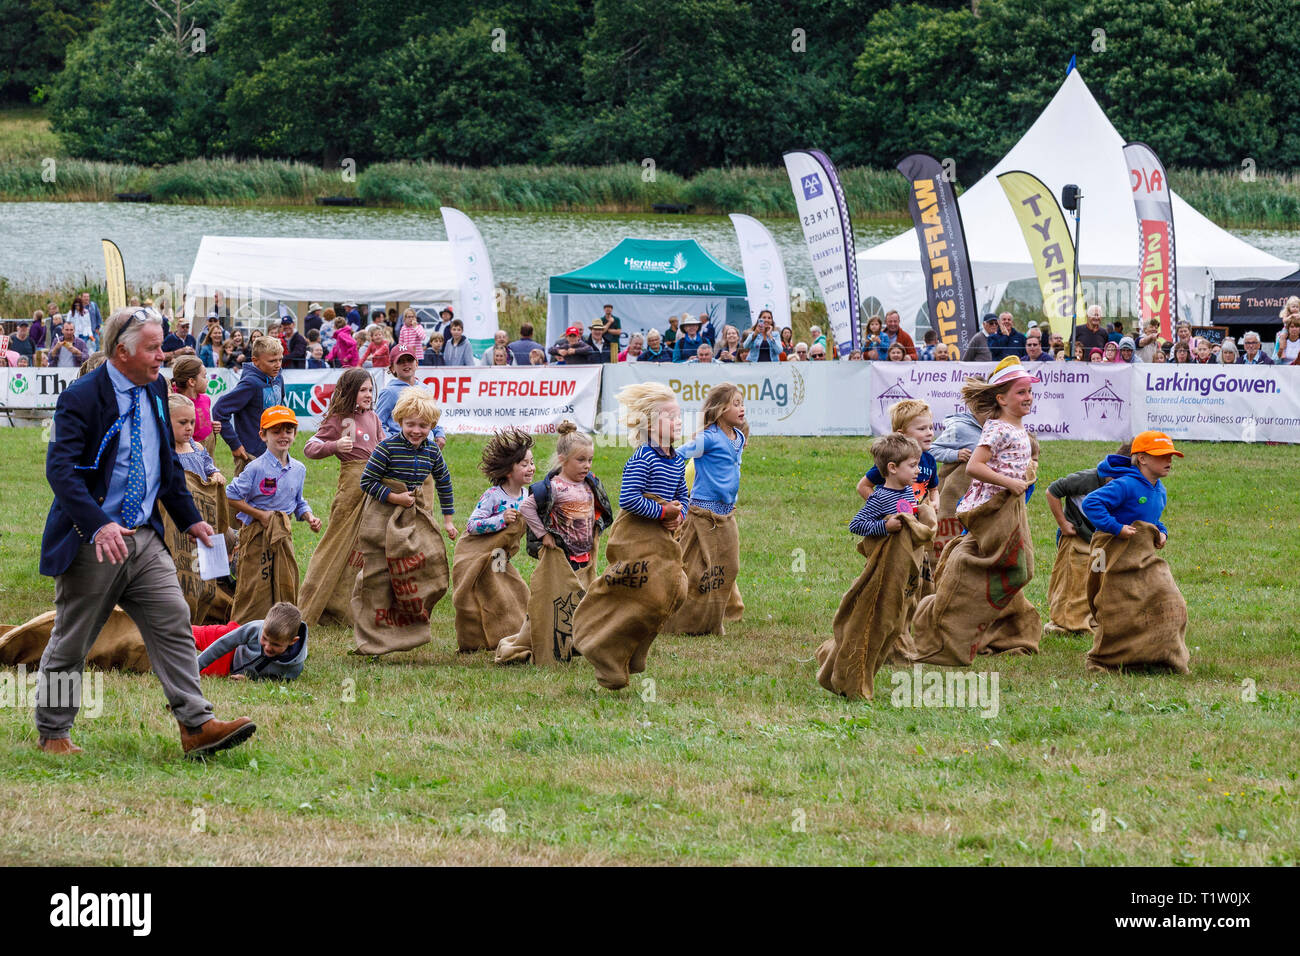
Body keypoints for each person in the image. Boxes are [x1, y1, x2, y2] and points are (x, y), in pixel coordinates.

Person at [36, 307, 253, 757]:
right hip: (93, 540)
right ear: (122, 351)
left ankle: (196, 725)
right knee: (73, 638)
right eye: (154, 348)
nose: (163, 356)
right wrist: (98, 525)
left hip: (144, 537)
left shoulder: (156, 387)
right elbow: (60, 471)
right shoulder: (81, 397)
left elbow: (164, 461)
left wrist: (190, 515)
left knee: (174, 619)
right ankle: (53, 734)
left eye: (162, 346)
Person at [572, 382, 687, 690]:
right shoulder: (643, 458)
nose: (679, 422)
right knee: (648, 593)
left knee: (677, 590)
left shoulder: (676, 460)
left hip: (663, 539)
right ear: (650, 424)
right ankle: (602, 645)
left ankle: (634, 649)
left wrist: (679, 517)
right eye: (671, 417)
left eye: (680, 417)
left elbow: (683, 495)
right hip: (637, 535)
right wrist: (664, 513)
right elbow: (629, 499)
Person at [298, 368, 382, 626]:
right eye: (363, 390)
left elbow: (383, 446)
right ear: (350, 392)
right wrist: (334, 446)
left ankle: (346, 608)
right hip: (350, 490)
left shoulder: (374, 418)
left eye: (370, 390)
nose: (368, 395)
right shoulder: (338, 419)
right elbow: (309, 448)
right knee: (335, 547)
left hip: (373, 488)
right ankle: (313, 605)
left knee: (362, 548)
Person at [226, 405, 320, 620]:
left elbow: (299, 501)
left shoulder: (299, 469)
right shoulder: (255, 468)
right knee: (255, 582)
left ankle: (281, 623)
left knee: (285, 579)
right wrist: (259, 515)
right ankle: (247, 624)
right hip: (257, 534)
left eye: (288, 430)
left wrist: (309, 517)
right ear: (263, 435)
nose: (283, 436)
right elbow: (231, 496)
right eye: (276, 431)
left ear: (295, 434)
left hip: (282, 534)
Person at [359, 388, 458, 540]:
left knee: (420, 555)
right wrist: (394, 497)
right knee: (384, 557)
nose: (416, 431)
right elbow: (367, 482)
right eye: (410, 424)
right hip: (383, 512)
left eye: (423, 426)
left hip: (414, 510)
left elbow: (444, 482)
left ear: (432, 425)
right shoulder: (386, 448)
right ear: (400, 422)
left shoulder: (432, 451)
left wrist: (448, 521)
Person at [520, 422, 612, 573]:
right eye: (581, 460)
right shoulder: (555, 487)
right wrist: (543, 535)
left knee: (584, 592)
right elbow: (526, 507)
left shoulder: (590, 483)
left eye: (590, 459)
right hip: (563, 556)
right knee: (563, 594)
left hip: (586, 555)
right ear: (563, 459)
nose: (587, 465)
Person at [956, 358, 1038, 515]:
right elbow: (974, 466)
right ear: (1001, 399)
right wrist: (1010, 483)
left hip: (1006, 504)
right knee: (976, 540)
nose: (1028, 397)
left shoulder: (1015, 425)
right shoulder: (999, 429)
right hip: (989, 509)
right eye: (1021, 392)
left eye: (1030, 391)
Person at [1081, 431, 1180, 549]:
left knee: (1160, 568)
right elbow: (1090, 502)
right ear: (1142, 459)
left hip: (1137, 552)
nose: (1169, 460)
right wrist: (1117, 528)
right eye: (1162, 455)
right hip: (1108, 550)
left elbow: (1149, 518)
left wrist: (1162, 532)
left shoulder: (1161, 491)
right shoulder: (1126, 484)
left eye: (1170, 455)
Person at [212, 335, 286, 474]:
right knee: (246, 495)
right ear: (255, 361)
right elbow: (219, 410)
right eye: (272, 361)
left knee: (274, 493)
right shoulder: (250, 383)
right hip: (251, 454)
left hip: (274, 448)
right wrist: (235, 445)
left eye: (280, 359)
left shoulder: (278, 378)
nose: (277, 365)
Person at [195, 602, 308, 681]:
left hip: (227, 666)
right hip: (228, 637)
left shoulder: (294, 668)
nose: (267, 647)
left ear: (293, 641)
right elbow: (223, 644)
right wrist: (196, 665)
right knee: (184, 633)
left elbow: (275, 681)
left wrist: (250, 680)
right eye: (264, 638)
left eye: (276, 644)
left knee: (182, 671)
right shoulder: (254, 628)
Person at [858, 399, 938, 507]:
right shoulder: (893, 460)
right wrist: (883, 507)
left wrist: (935, 502)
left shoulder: (929, 460)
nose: (929, 433)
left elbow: (933, 489)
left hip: (918, 520)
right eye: (922, 429)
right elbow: (863, 486)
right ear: (902, 434)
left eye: (931, 428)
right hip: (894, 521)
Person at [465, 428, 535, 536]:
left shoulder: (526, 495)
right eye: (525, 465)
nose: (531, 468)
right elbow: (471, 525)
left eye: (532, 462)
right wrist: (501, 519)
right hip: (484, 551)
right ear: (508, 471)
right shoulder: (493, 495)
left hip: (504, 551)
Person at [849, 433, 922, 537]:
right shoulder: (880, 498)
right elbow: (856, 525)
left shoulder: (909, 490)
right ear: (892, 468)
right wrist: (886, 526)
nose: (918, 470)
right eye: (912, 465)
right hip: (891, 552)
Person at [375, 345, 448, 446]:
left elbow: (432, 416)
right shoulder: (389, 392)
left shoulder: (425, 389)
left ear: (417, 363)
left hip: (427, 446)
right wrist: (392, 443)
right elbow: (378, 423)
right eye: (400, 361)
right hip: (403, 450)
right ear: (392, 368)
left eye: (409, 360)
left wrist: (439, 434)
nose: (406, 364)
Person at [170, 356, 220, 457]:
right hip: (188, 454)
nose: (207, 380)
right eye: (204, 376)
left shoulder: (206, 399)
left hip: (208, 454)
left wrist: (211, 426)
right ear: (192, 381)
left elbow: (199, 420)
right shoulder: (174, 404)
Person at [168, 393, 222, 483]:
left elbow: (208, 466)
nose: (189, 427)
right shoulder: (165, 452)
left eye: (192, 422)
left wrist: (215, 473)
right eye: (183, 422)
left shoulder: (197, 447)